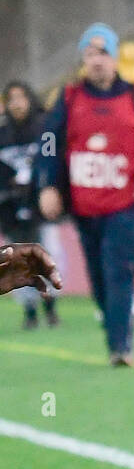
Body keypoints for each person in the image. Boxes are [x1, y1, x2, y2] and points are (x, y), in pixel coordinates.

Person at [36, 23, 134, 366]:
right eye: (91, 54)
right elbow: (49, 143)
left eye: (104, 53)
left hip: (124, 204)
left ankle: (121, 346)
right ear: (84, 58)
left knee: (118, 269)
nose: (97, 61)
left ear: (115, 57)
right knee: (98, 277)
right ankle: (114, 326)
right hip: (83, 205)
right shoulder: (69, 99)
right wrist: (48, 185)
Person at [0, 81, 59, 329]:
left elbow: (52, 159)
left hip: (39, 206)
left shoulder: (45, 128)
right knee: (16, 259)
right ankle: (30, 311)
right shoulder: (2, 133)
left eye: (21, 97)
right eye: (11, 98)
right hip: (10, 208)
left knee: (47, 255)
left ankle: (51, 307)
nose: (17, 103)